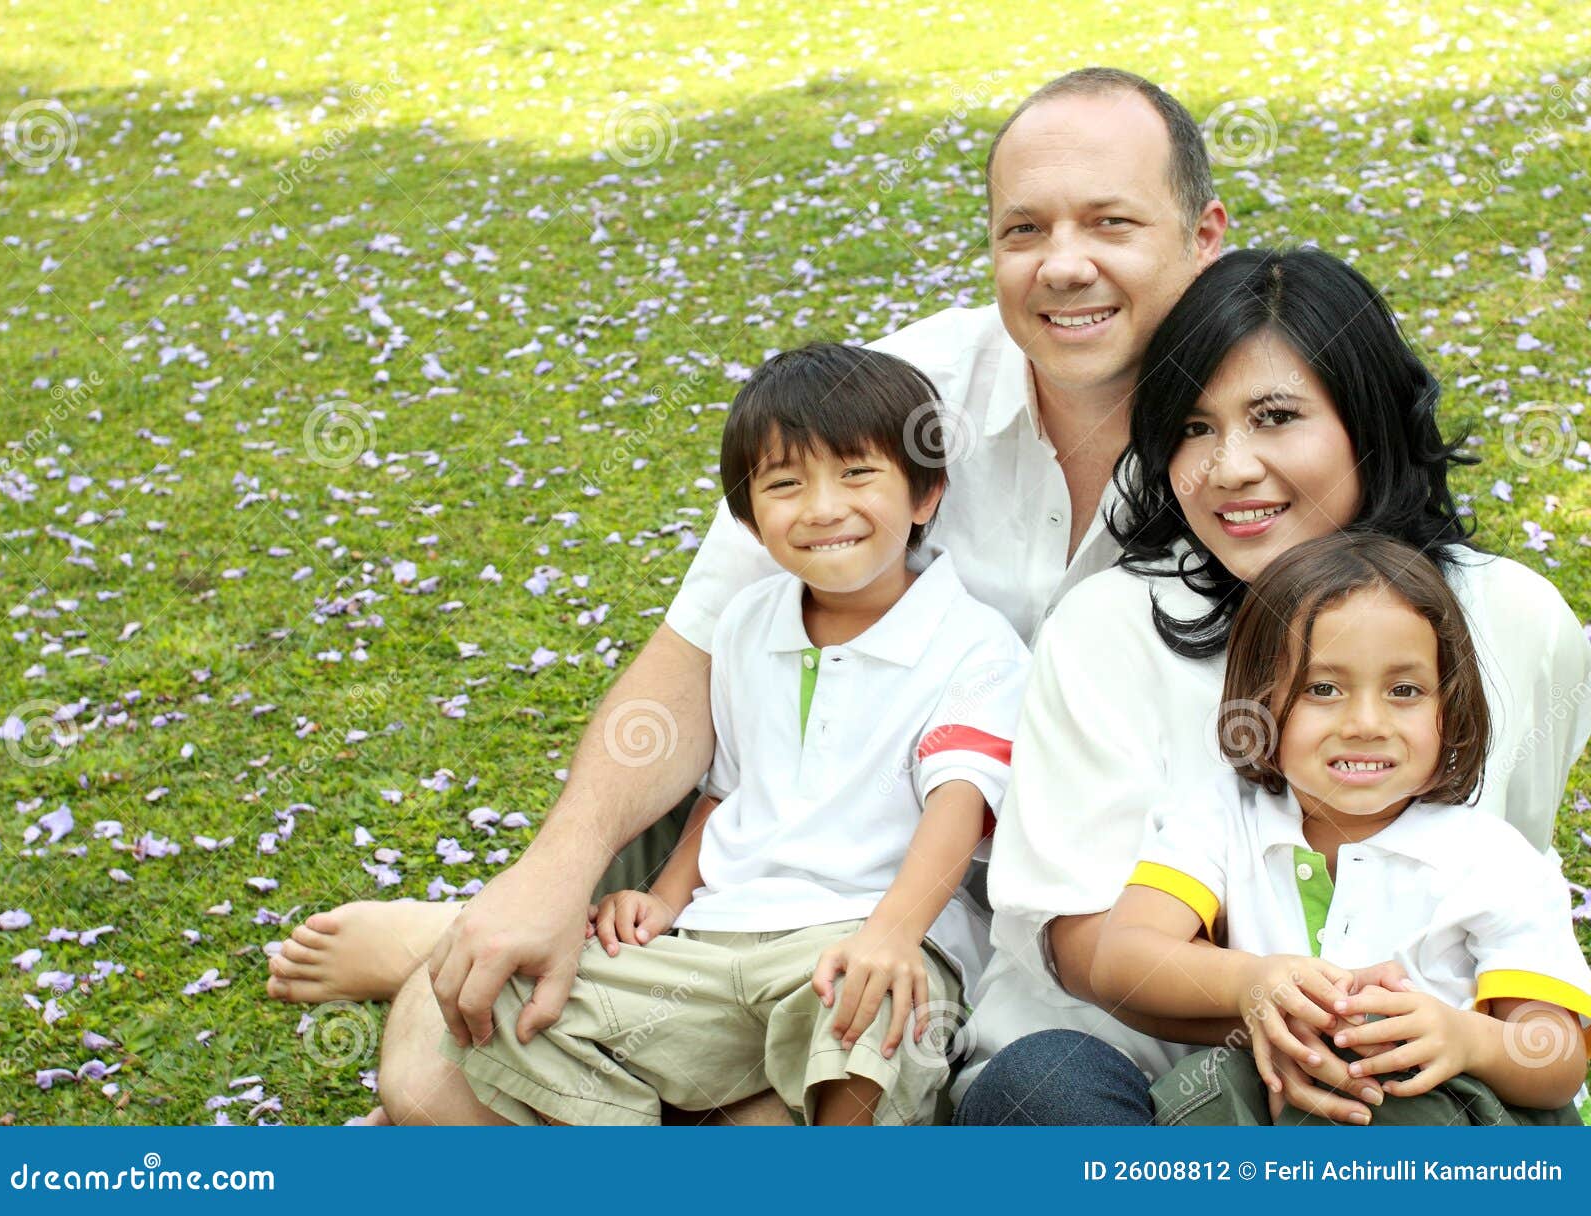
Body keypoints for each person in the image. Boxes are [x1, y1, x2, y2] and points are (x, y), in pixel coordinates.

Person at [266, 66, 1228, 1121]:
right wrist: (552, 872)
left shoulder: (1263, 426)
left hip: (1038, 907)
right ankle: (505, 936)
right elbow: (691, 661)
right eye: (1024, 230)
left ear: (1204, 236)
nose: (1064, 265)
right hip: (801, 852)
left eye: (1111, 222)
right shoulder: (887, 403)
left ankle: (463, 949)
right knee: (427, 1077)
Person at [957, 247, 1591, 1125]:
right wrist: (1278, 1002)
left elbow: (1514, 909)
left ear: (1367, 420)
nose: (1228, 468)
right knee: (1043, 1088)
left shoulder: (1515, 617)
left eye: (1276, 416)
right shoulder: (1107, 626)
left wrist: (1445, 1037)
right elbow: (1085, 946)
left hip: (1410, 1092)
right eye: (1193, 427)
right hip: (1151, 1084)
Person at [373, 342, 1030, 1124]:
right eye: (784, 485)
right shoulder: (748, 623)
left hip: (860, 933)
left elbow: (959, 804)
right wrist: (663, 899)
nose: (823, 508)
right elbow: (729, 789)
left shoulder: (975, 643)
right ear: (749, 519)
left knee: (880, 1013)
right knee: (518, 998)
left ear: (925, 495)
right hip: (715, 941)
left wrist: (892, 933)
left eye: (857, 474)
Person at [1092, 532, 1591, 1125]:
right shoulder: (1222, 817)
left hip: (1440, 1132)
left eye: (1404, 691)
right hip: (1275, 1109)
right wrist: (1251, 981)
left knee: (1391, 1084)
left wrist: (1466, 1039)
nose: (1365, 723)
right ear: (1259, 702)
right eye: (1323, 689)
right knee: (1209, 1087)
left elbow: (1558, 1061)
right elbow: (1121, 959)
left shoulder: (1492, 859)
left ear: (1450, 709)